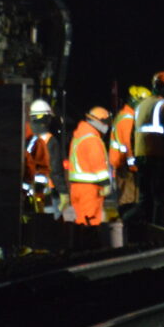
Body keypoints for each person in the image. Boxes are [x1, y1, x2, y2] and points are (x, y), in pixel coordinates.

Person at [132, 71, 164, 229]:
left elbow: (132, 135)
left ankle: (143, 232)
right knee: (163, 199)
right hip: (160, 160)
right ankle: (161, 234)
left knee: (145, 199)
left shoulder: (140, 106)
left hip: (142, 158)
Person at [67, 105, 114, 248]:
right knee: (90, 223)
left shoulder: (80, 136)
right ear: (100, 122)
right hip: (89, 189)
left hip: (76, 187)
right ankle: (90, 253)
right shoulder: (92, 139)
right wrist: (106, 184)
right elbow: (98, 165)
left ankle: (76, 252)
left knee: (79, 222)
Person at [110, 86, 150, 213]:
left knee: (131, 200)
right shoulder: (127, 119)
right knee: (128, 201)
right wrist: (133, 164)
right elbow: (128, 144)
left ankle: (130, 227)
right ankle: (126, 228)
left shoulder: (125, 116)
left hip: (124, 165)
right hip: (125, 167)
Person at [23, 98, 59, 215]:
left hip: (27, 195)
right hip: (28, 195)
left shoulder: (36, 141)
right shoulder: (37, 141)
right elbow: (44, 171)